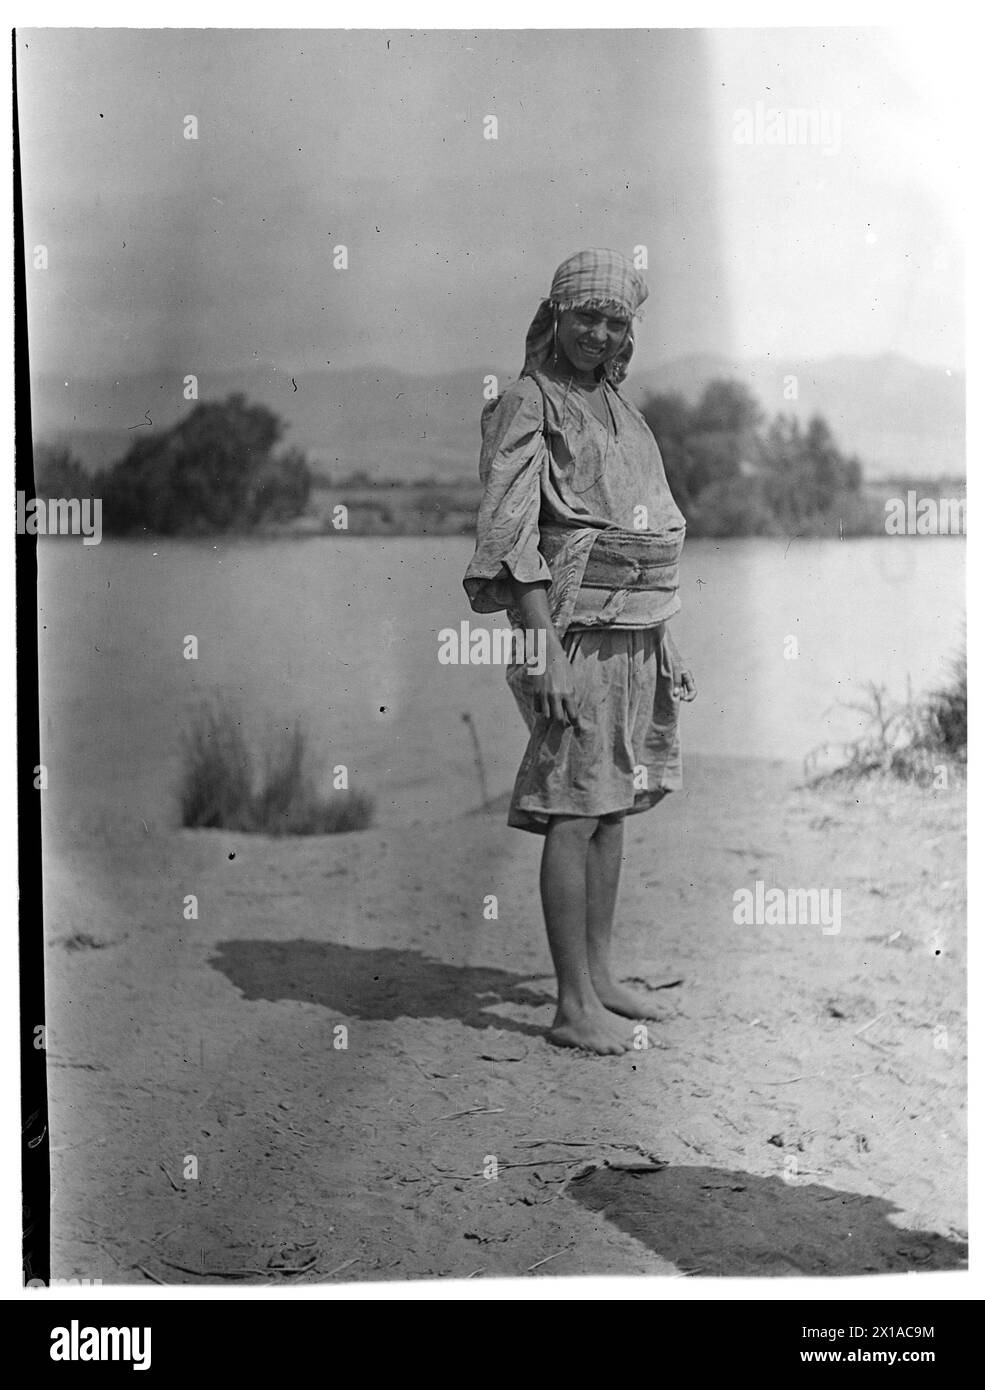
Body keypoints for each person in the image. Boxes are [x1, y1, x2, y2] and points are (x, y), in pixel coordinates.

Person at [463, 248, 697, 1055]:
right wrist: (544, 650)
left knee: (611, 804)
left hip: (633, 633)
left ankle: (598, 976)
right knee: (572, 808)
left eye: (614, 321)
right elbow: (509, 533)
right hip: (565, 632)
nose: (598, 334)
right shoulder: (527, 403)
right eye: (584, 316)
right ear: (555, 315)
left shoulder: (622, 413)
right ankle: (569, 1007)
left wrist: (663, 640)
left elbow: (642, 531)